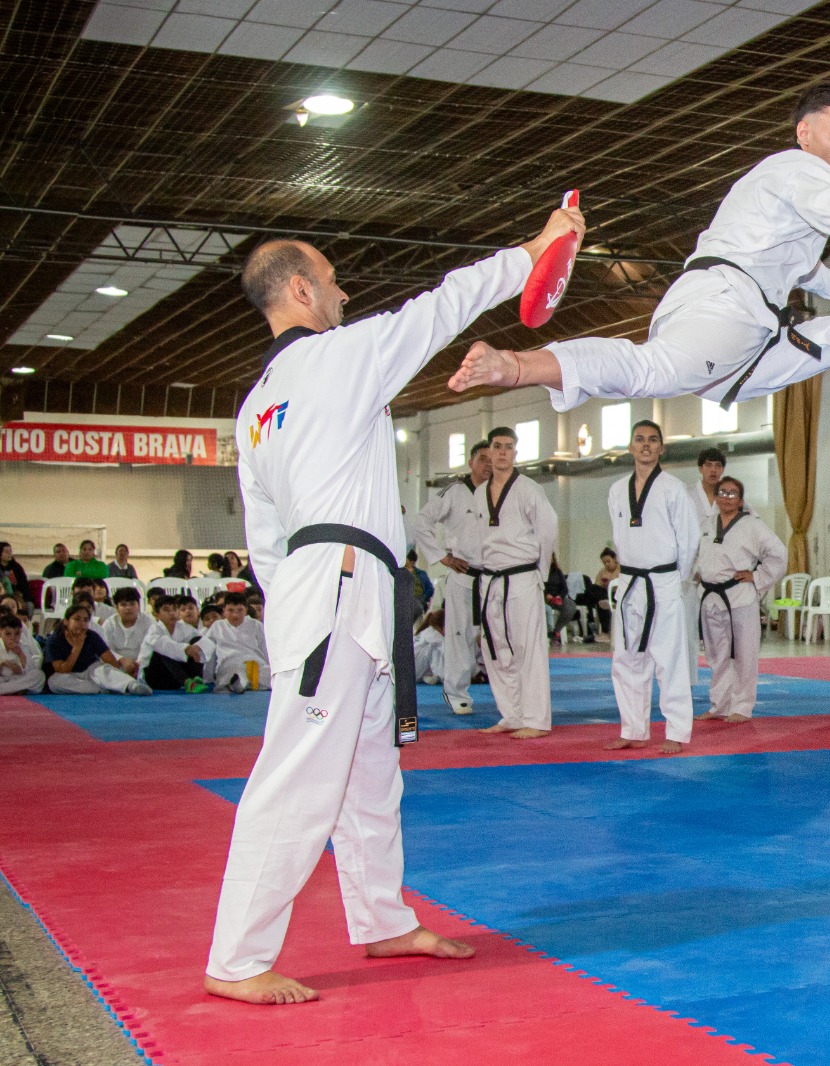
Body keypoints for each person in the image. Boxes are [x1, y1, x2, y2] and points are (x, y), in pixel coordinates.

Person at [205, 208, 572, 1005]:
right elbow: (441, 306)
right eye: (332, 280)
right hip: (336, 583)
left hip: (338, 583)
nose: (342, 291)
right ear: (301, 288)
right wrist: (532, 254)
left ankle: (381, 919)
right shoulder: (336, 357)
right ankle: (236, 958)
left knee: (372, 770)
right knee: (298, 772)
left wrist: (299, 601)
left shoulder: (258, 405)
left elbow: (263, 534)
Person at [448, 80, 830, 413]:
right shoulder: (795, 169)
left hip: (752, 332)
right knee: (648, 371)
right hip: (723, 308)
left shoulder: (798, 195)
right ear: (805, 133)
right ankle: (516, 365)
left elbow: (805, 267)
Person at [606, 420, 700, 754]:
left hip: (663, 580)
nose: (646, 445)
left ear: (662, 448)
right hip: (629, 580)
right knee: (627, 657)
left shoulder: (674, 488)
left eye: (653, 440)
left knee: (670, 657)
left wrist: (675, 579)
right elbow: (619, 537)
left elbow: (689, 541)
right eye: (639, 439)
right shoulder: (617, 489)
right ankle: (633, 729)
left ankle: (676, 731)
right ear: (630, 447)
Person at [469, 426, 560, 738]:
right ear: (489, 452)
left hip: (521, 576)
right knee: (495, 647)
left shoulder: (529, 489)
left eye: (509, 446)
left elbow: (548, 529)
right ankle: (511, 715)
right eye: (497, 446)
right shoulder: (480, 493)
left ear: (515, 452)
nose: (503, 452)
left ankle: (536, 719)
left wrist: (541, 572)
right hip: (491, 578)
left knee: (527, 647)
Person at [694, 475, 786, 723]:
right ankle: (719, 705)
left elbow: (778, 554)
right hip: (711, 597)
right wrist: (696, 573)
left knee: (744, 654)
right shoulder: (706, 523)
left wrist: (757, 576)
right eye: (722, 493)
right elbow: (694, 554)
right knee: (716, 655)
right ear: (715, 497)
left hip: (740, 596)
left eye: (732, 493)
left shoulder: (752, 525)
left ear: (741, 500)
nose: (726, 497)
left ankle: (742, 707)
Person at [413, 438, 490, 716]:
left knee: (497, 637)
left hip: (495, 576)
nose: (488, 464)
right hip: (463, 573)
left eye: (492, 458)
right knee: (459, 635)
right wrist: (441, 556)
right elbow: (421, 520)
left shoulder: (503, 492)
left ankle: (508, 695)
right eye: (482, 458)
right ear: (471, 462)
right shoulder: (456, 492)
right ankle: (456, 692)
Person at [44, 602, 150, 695]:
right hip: (69, 676)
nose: (82, 624)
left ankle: (131, 685)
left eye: (86, 620)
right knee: (54, 682)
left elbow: (110, 661)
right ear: (66, 621)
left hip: (91, 671)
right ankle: (101, 688)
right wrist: (77, 647)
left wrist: (116, 673)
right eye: (77, 619)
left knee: (102, 670)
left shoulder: (91, 635)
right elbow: (63, 670)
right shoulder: (54, 640)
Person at [138, 594, 216, 692]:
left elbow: (206, 641)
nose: (172, 613)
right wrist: (187, 649)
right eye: (166, 610)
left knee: (197, 641)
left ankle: (196, 678)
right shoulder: (153, 631)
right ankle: (187, 682)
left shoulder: (184, 627)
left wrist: (196, 647)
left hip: (174, 678)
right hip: (155, 678)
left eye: (174, 609)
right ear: (157, 615)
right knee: (165, 650)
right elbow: (164, 645)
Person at [207, 592, 271, 693]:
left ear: (246, 610)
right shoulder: (218, 626)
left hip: (254, 663)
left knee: (269, 674)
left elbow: (265, 649)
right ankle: (238, 684)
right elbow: (209, 652)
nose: (235, 614)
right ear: (224, 611)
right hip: (229, 662)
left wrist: (269, 664)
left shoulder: (256, 625)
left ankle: (244, 684)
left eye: (240, 610)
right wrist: (208, 677)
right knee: (234, 673)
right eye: (230, 610)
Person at [99, 586, 153, 663]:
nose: (128, 608)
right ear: (116, 608)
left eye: (132, 604)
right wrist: (121, 660)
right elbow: (106, 649)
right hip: (115, 665)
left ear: (139, 606)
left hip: (142, 666)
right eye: (123, 605)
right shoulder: (109, 623)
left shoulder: (148, 623)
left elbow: (149, 649)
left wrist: (138, 665)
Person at [0, 613, 46, 695]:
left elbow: (30, 671)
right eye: (8, 634)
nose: (12, 638)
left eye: (17, 634)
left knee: (39, 676)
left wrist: (20, 654)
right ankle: (15, 690)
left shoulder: (23, 647)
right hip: (2, 679)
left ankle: (8, 690)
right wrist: (3, 663)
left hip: (18, 679)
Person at [583, 548, 621, 640]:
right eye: (604, 563)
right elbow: (596, 586)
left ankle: (604, 631)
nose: (607, 564)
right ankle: (602, 631)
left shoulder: (622, 569)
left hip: (617, 594)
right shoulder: (602, 571)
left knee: (600, 600)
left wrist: (611, 584)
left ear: (614, 559)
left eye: (608, 561)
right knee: (592, 590)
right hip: (604, 594)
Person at [692, 447, 727, 525]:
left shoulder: (729, 495)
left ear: (722, 469)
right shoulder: (687, 494)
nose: (713, 470)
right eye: (708, 465)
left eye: (718, 465)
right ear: (700, 469)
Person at [413, 609, 446, 684]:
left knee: (432, 650)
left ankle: (435, 676)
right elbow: (446, 651)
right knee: (432, 648)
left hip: (411, 669)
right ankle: (443, 677)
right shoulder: (432, 633)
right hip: (412, 670)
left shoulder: (426, 631)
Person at [403, 549, 434, 617]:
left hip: (418, 600)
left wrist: (423, 598)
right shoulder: (399, 573)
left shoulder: (421, 574)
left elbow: (430, 589)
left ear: (411, 561)